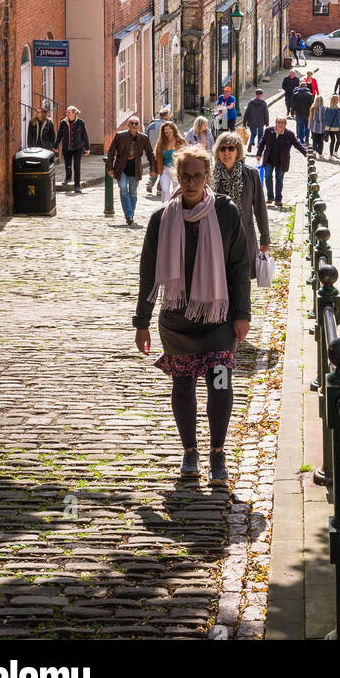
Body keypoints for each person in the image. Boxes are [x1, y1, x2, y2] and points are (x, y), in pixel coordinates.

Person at [133, 144, 251, 484]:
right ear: (176, 176)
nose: (191, 182)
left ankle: (217, 453)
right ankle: (189, 452)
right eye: (184, 176)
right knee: (183, 387)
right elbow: (148, 273)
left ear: (207, 176)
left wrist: (242, 313)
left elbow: (239, 265)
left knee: (220, 383)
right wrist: (142, 323)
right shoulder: (162, 219)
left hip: (218, 319)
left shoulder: (225, 213)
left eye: (198, 176)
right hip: (178, 321)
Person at [213, 131, 270, 280]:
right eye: (222, 149)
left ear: (238, 150)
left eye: (231, 148)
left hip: (244, 237)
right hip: (218, 238)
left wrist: (265, 238)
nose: (226, 153)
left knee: (242, 285)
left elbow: (259, 208)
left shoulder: (250, 175)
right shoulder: (211, 176)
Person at [107, 116, 156, 226]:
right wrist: (110, 167)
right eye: (132, 123)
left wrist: (153, 168)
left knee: (133, 193)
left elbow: (150, 154)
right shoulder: (120, 136)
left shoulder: (144, 138)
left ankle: (130, 214)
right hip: (121, 168)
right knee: (123, 188)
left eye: (136, 124)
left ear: (139, 126)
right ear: (128, 125)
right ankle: (129, 215)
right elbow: (111, 152)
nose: (134, 126)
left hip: (135, 169)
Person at [257, 116, 307, 207]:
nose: (280, 124)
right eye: (278, 122)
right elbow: (262, 142)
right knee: (268, 176)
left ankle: (278, 199)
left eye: (282, 123)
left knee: (279, 180)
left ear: (285, 124)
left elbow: (297, 144)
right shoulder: (269, 131)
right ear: (275, 123)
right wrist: (259, 154)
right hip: (269, 159)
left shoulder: (289, 134)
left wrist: (305, 152)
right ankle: (270, 197)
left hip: (282, 161)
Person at [54, 106, 90, 193]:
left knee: (77, 166)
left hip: (78, 148)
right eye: (66, 112)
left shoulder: (80, 122)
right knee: (68, 165)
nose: (67, 114)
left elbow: (85, 135)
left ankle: (77, 186)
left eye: (69, 113)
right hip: (67, 147)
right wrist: (56, 146)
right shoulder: (63, 123)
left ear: (74, 113)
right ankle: (68, 178)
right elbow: (59, 135)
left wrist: (87, 148)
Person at [156, 121, 187, 204]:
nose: (168, 134)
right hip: (165, 169)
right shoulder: (161, 142)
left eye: (170, 131)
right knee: (165, 190)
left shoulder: (180, 141)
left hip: (176, 170)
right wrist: (155, 169)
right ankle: (164, 208)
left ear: (174, 130)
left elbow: (186, 155)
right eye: (165, 132)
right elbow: (157, 156)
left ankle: (176, 207)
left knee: (176, 191)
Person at [145, 106, 172, 195]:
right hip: (165, 151)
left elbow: (146, 137)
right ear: (166, 116)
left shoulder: (151, 125)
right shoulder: (168, 126)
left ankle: (150, 183)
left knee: (155, 167)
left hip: (153, 151)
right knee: (163, 169)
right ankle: (159, 189)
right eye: (169, 114)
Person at [290, 80, 314, 146]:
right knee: (307, 127)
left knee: (300, 127)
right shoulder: (309, 94)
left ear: (299, 87)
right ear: (306, 86)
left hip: (299, 113)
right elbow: (312, 105)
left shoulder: (295, 94)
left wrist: (292, 112)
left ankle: (301, 140)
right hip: (308, 114)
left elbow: (293, 105)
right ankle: (307, 139)